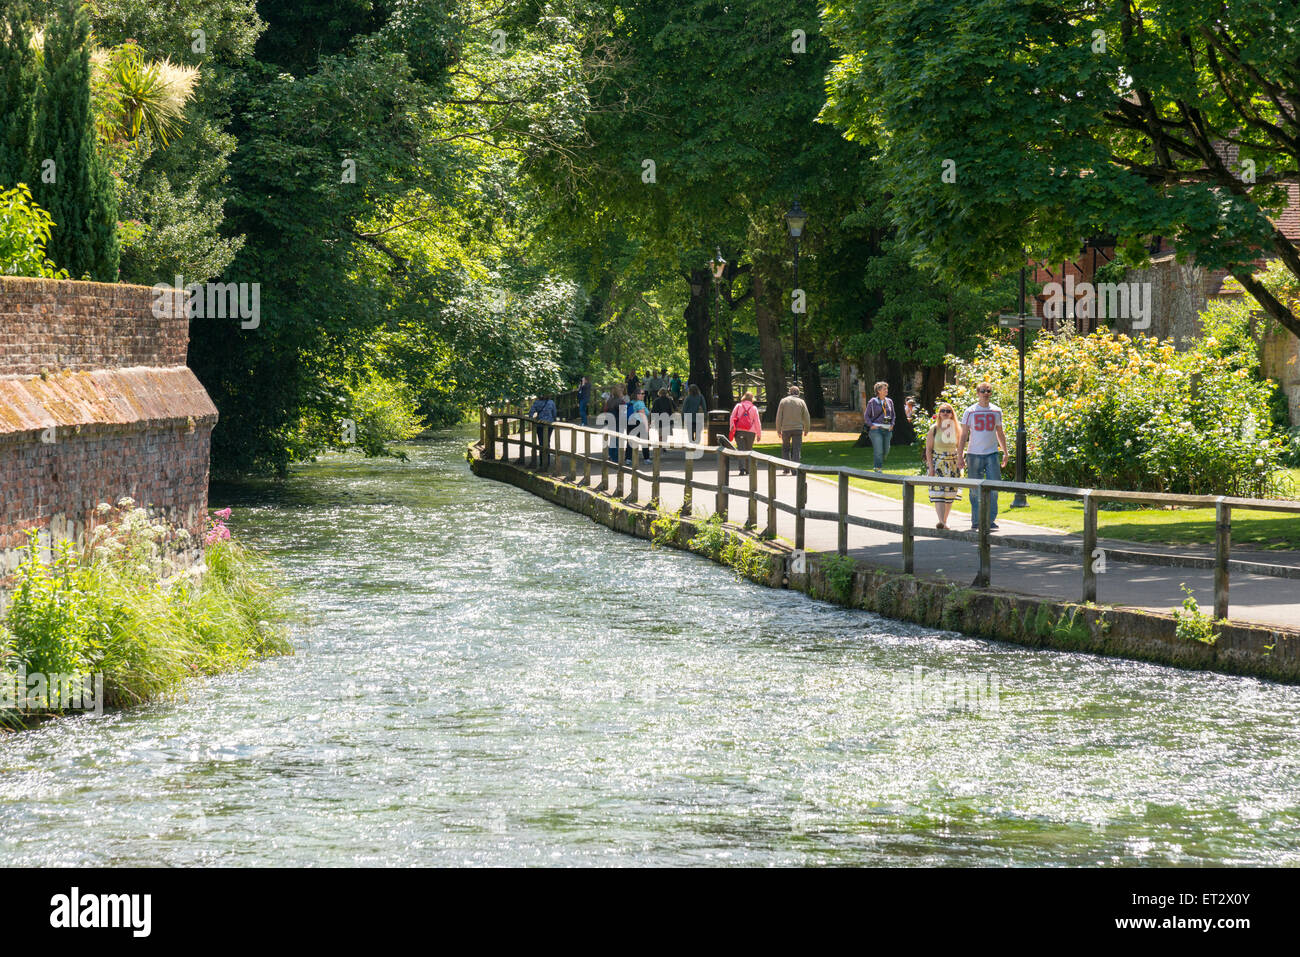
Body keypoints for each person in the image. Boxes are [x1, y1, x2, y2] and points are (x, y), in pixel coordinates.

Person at [957, 381, 1009, 530]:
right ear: (977, 393)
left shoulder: (996, 411)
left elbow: (1000, 432)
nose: (986, 394)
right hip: (974, 454)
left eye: (988, 391)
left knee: (994, 486)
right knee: (974, 489)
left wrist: (1005, 452)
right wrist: (960, 456)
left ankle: (990, 520)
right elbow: (964, 435)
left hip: (992, 453)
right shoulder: (970, 411)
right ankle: (977, 520)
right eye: (983, 391)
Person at [924, 403, 963, 529]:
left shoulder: (957, 429)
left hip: (953, 464)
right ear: (939, 413)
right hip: (938, 463)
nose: (945, 413)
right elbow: (928, 450)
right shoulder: (934, 429)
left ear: (952, 414)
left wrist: (961, 461)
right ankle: (941, 520)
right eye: (942, 411)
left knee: (950, 494)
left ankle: (944, 521)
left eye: (948, 411)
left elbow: (960, 447)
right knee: (938, 493)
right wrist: (930, 467)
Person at [773, 384, 811, 475]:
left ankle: (786, 469)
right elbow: (806, 417)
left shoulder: (783, 401)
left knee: (785, 449)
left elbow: (779, 417)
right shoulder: (801, 402)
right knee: (796, 449)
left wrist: (778, 430)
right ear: (798, 393)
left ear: (790, 392)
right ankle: (795, 470)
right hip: (798, 429)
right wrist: (806, 429)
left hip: (786, 429)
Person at [728, 391, 762, 475]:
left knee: (740, 449)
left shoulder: (738, 406)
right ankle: (748, 469)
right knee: (749, 449)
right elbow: (757, 421)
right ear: (752, 399)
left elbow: (732, 416)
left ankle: (742, 468)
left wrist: (731, 427)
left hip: (739, 431)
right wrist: (759, 434)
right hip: (751, 432)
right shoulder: (754, 408)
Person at [864, 381, 895, 470]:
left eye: (886, 389)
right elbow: (866, 416)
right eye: (884, 389)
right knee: (878, 450)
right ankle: (878, 468)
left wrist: (892, 424)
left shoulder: (889, 401)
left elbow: (893, 415)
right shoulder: (872, 401)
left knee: (886, 450)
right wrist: (871, 425)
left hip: (887, 429)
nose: (886, 390)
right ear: (879, 391)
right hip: (876, 430)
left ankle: (880, 460)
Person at [528, 393, 557, 468]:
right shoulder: (551, 402)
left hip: (540, 425)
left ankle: (542, 462)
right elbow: (554, 414)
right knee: (547, 442)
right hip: (549, 425)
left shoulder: (536, 402)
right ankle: (547, 462)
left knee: (541, 443)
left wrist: (534, 419)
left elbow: (530, 413)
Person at [626, 388, 651, 465]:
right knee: (644, 442)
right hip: (639, 424)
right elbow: (642, 415)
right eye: (642, 394)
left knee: (630, 441)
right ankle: (646, 459)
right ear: (637, 395)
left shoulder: (631, 402)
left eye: (644, 393)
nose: (644, 395)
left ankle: (628, 459)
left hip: (630, 423)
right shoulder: (640, 403)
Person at [603, 386, 624, 462]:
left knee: (612, 439)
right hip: (618, 422)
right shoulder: (621, 401)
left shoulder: (609, 400)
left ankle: (610, 455)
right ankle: (615, 458)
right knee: (617, 440)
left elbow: (605, 410)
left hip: (611, 421)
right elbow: (623, 413)